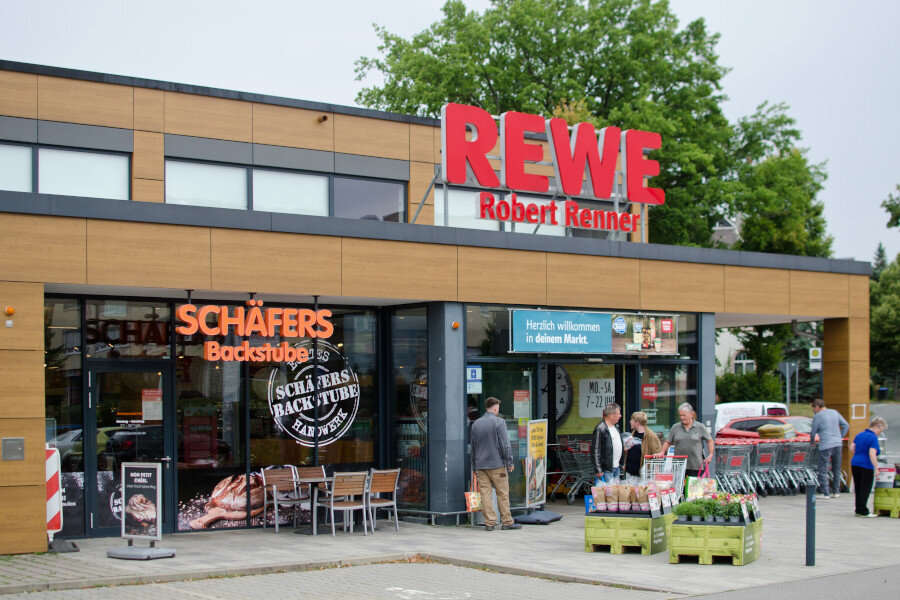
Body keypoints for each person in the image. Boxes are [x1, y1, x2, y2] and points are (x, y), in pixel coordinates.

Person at [469, 397, 521, 531]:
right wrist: (509, 461)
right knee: (502, 493)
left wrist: (474, 465)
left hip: (481, 465)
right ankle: (507, 521)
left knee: (485, 494)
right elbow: (505, 444)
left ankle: (489, 523)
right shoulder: (499, 422)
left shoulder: (476, 424)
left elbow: (473, 447)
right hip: (497, 464)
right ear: (496, 408)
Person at [655, 402, 714, 478]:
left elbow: (710, 440)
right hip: (679, 466)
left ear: (691, 414)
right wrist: (662, 452)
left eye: (684, 415)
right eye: (680, 415)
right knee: (680, 488)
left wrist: (711, 454)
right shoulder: (675, 427)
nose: (682, 417)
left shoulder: (700, 427)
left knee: (694, 489)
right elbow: (667, 442)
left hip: (696, 466)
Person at [809, 398, 850, 499]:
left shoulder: (818, 416)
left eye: (814, 409)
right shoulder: (835, 412)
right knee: (836, 468)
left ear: (817, 407)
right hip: (837, 444)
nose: (813, 411)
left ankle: (825, 493)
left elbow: (813, 431)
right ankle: (836, 491)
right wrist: (840, 436)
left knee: (822, 469)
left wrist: (812, 441)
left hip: (826, 445)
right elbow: (846, 425)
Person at [850, 417, 888, 517]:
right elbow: (872, 453)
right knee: (865, 488)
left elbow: (852, 447)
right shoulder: (873, 437)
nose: (879, 433)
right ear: (876, 427)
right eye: (880, 430)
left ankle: (858, 509)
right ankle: (863, 511)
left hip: (855, 463)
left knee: (858, 487)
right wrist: (876, 467)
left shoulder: (860, 434)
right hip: (866, 465)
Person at [591, 403, 626, 482]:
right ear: (611, 415)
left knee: (615, 492)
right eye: (619, 413)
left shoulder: (616, 427)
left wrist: (622, 463)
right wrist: (598, 469)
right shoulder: (600, 428)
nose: (620, 416)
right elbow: (596, 450)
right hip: (606, 469)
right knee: (609, 493)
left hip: (616, 467)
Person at [625, 411, 661, 484]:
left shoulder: (651, 436)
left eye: (631, 420)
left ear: (637, 422)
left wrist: (655, 478)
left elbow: (657, 457)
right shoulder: (632, 434)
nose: (630, 422)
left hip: (642, 477)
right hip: (630, 474)